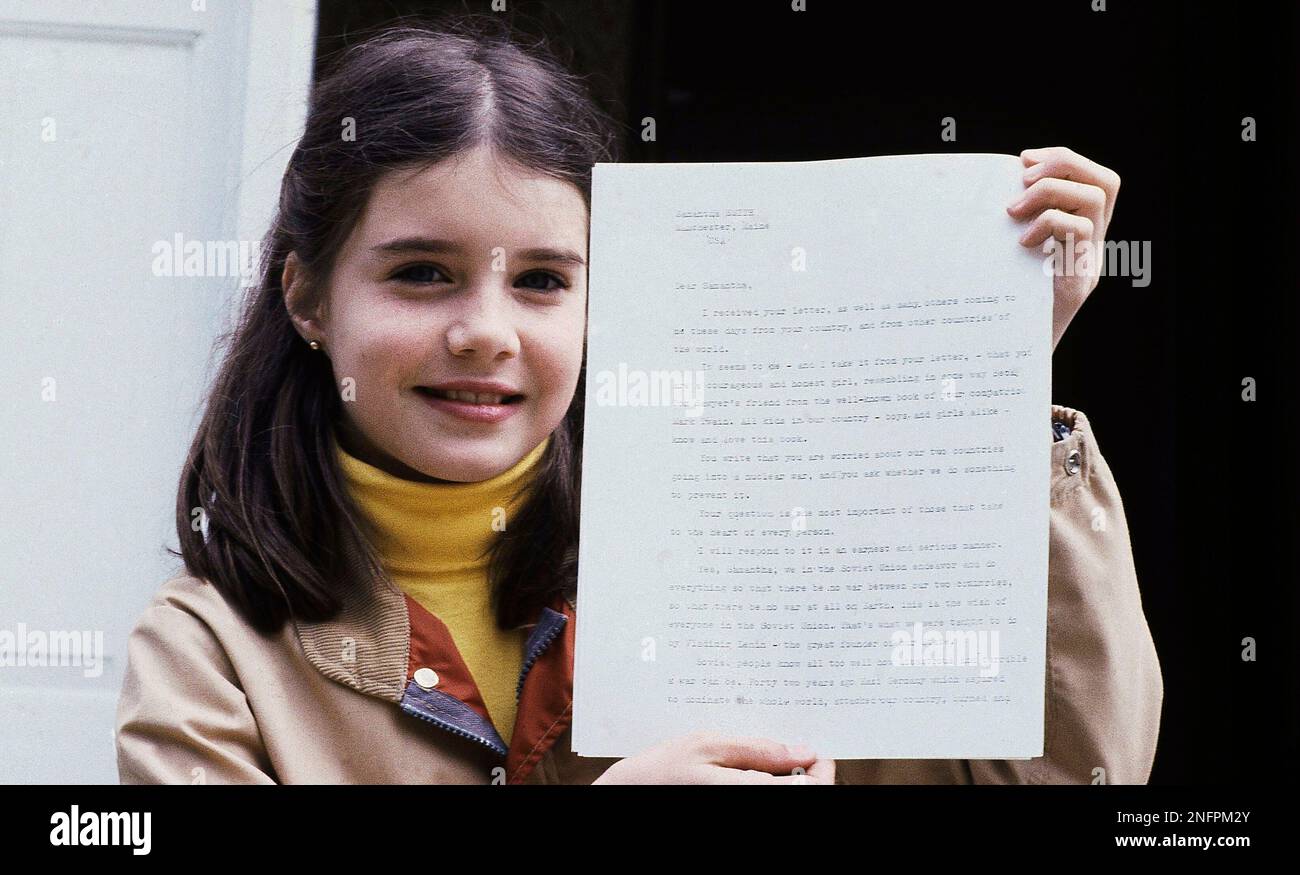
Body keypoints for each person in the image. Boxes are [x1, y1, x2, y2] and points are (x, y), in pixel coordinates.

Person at [114, 16, 1162, 785]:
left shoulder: (738, 574)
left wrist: (996, 379)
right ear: (305, 294)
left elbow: (1075, 773)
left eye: (540, 280)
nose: (487, 328)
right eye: (421, 272)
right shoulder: (211, 650)